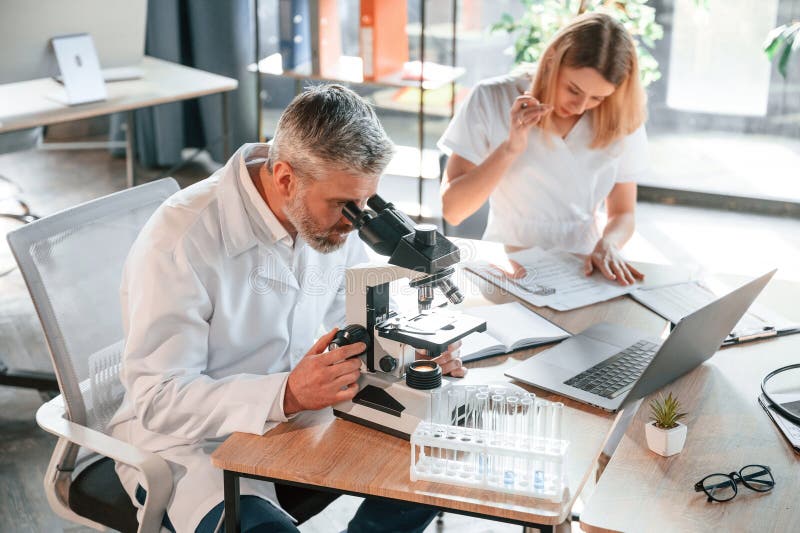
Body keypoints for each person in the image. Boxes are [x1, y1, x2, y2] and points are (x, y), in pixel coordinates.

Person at [108, 84, 464, 533]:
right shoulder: (183, 239)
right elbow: (158, 400)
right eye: (342, 206)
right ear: (284, 179)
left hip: (301, 413)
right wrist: (287, 394)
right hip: (191, 446)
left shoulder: (331, 220)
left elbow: (349, 316)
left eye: (363, 203)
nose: (353, 223)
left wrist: (415, 349)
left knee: (441, 454)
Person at [438, 12, 649, 286]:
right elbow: (453, 210)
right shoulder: (491, 98)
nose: (580, 106)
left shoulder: (619, 118)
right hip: (505, 262)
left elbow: (623, 213)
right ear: (552, 62)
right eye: (573, 89)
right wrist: (511, 149)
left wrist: (609, 243)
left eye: (597, 97)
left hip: (583, 266)